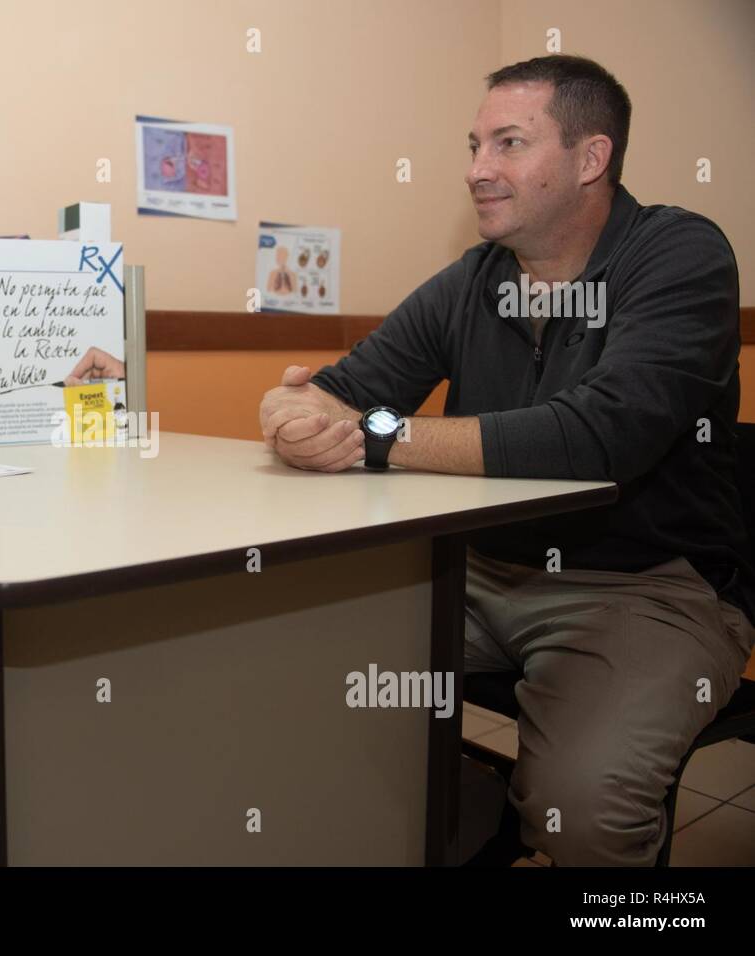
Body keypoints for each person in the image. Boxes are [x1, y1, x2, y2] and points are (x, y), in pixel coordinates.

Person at [259, 55, 754, 865]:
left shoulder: (681, 255)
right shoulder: (475, 279)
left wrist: (377, 438)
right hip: (479, 572)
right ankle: (465, 818)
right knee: (302, 679)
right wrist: (287, 415)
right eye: (474, 144)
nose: (476, 170)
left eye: (509, 144)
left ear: (590, 158)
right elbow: (338, 389)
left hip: (646, 588)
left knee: (583, 809)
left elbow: (597, 439)